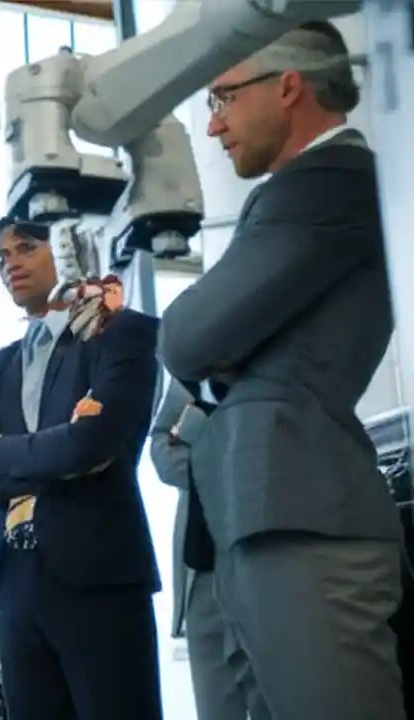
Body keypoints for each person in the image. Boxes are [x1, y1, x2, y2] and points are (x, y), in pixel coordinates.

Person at [160, 21, 405, 719]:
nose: (213, 128)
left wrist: (214, 358)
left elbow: (186, 338)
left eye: (222, 99)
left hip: (304, 520)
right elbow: (207, 349)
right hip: (264, 516)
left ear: (288, 85)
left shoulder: (329, 180)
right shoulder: (297, 196)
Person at [0, 217, 163, 720]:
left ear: (71, 252)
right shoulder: (5, 362)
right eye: (1, 258)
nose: (11, 264)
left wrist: (0, 450)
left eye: (25, 248)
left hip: (99, 575)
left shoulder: (120, 333)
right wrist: (55, 450)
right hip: (18, 586)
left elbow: (89, 445)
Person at [149, 378, 248, 720]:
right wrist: (211, 467)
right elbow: (161, 446)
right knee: (215, 705)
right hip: (201, 565)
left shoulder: (273, 355)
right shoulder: (190, 373)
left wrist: (202, 451)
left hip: (265, 557)